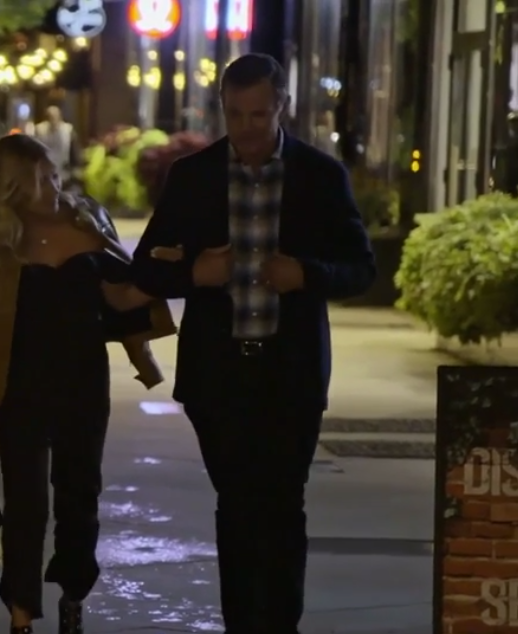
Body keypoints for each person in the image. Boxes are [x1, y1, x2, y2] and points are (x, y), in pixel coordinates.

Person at [120, 54, 376, 633]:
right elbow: (147, 270)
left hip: (291, 374)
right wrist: (195, 276)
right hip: (220, 376)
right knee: (236, 508)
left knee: (283, 506)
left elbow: (362, 268)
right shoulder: (194, 176)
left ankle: (280, 625)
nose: (247, 129)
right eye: (235, 115)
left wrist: (306, 275)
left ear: (281, 107)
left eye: (258, 114)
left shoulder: (318, 175)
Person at [0, 134, 178, 634]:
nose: (49, 188)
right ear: (8, 189)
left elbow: (122, 288)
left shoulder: (86, 219)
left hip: (83, 380)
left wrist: (169, 276)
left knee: (80, 496)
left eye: (50, 175)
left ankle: (73, 598)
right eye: (35, 182)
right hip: (17, 385)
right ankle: (21, 616)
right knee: (27, 505)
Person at [27, 106, 78, 184]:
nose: (53, 120)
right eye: (50, 117)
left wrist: (72, 166)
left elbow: (74, 152)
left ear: (60, 117)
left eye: (55, 117)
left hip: (63, 174)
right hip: (44, 174)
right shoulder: (39, 130)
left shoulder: (68, 131)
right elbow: (32, 151)